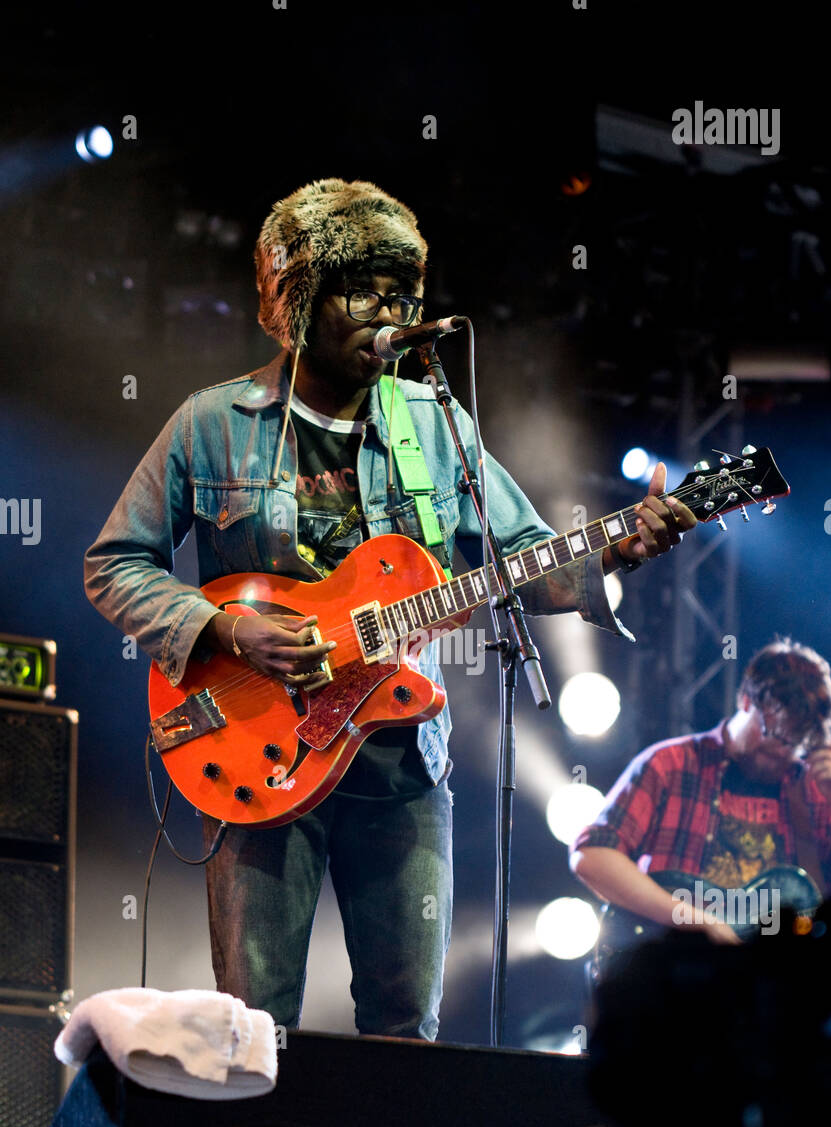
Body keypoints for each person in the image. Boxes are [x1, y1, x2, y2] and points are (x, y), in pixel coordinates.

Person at [85, 177, 696, 1040]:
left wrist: (615, 549)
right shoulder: (211, 424)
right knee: (255, 1026)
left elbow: (526, 562)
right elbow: (114, 564)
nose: (390, 311)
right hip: (258, 755)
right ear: (299, 301)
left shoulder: (436, 425)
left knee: (406, 1027)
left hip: (401, 763)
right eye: (364, 291)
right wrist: (225, 628)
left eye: (402, 293)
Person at [571, 639, 831, 958]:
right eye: (773, 734)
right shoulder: (670, 763)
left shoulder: (811, 788)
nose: (782, 751)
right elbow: (592, 855)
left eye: (794, 743)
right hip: (675, 976)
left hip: (765, 993)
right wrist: (698, 922)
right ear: (746, 700)